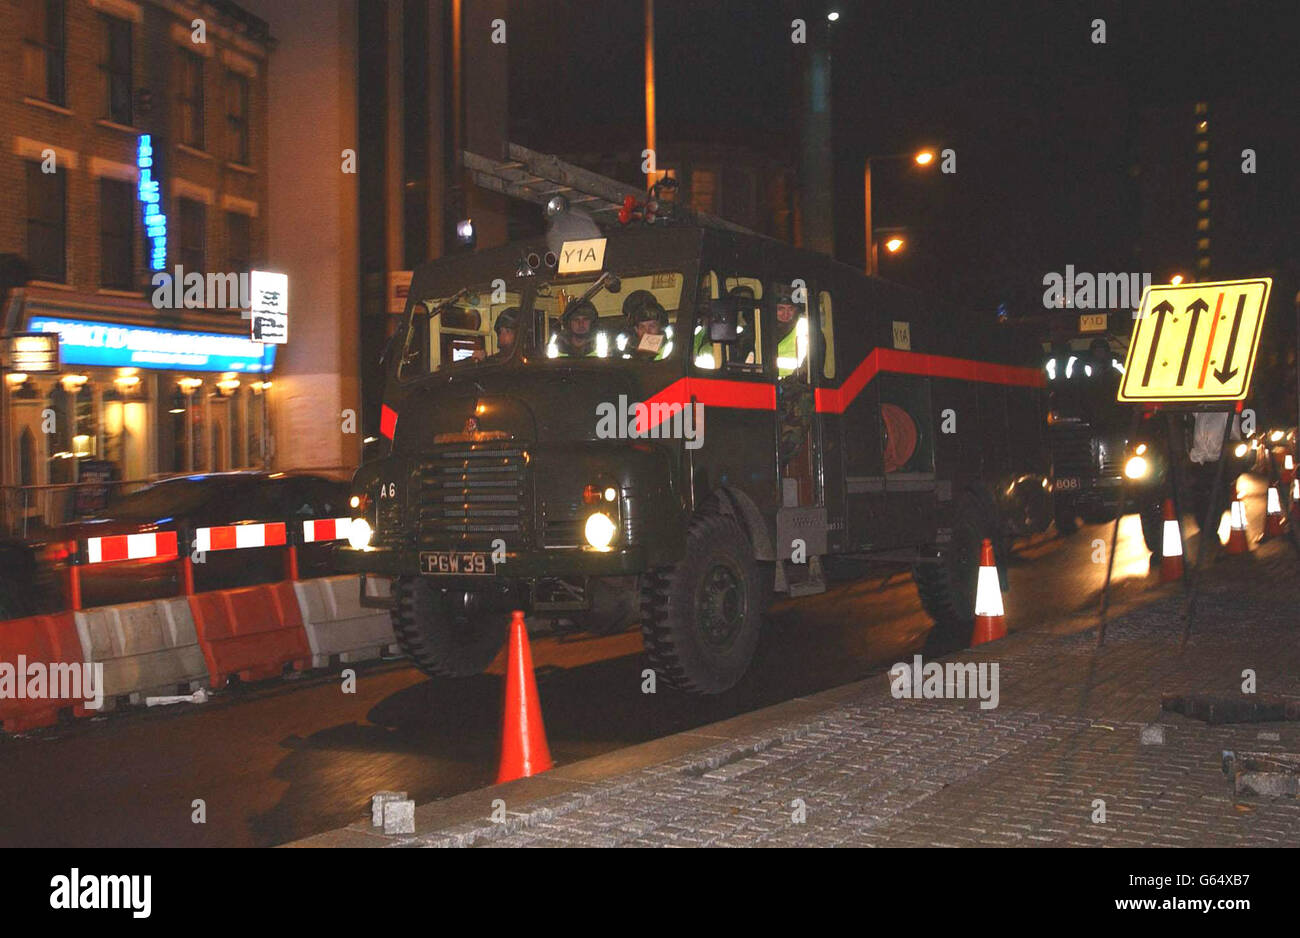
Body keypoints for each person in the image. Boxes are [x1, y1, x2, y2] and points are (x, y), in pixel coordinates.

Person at [618, 289, 670, 359]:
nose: (647, 332)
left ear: (661, 327)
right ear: (636, 329)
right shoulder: (624, 352)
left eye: (652, 326)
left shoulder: (670, 351)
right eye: (642, 327)